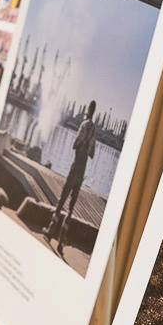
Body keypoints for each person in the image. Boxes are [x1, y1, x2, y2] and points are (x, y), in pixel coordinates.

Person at [45, 100, 97, 255]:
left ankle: (50, 230)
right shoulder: (94, 130)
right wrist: (87, 147)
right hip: (82, 172)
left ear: (88, 109)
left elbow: (75, 145)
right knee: (71, 208)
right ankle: (61, 241)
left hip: (75, 168)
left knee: (61, 201)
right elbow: (93, 155)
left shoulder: (84, 125)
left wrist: (79, 144)